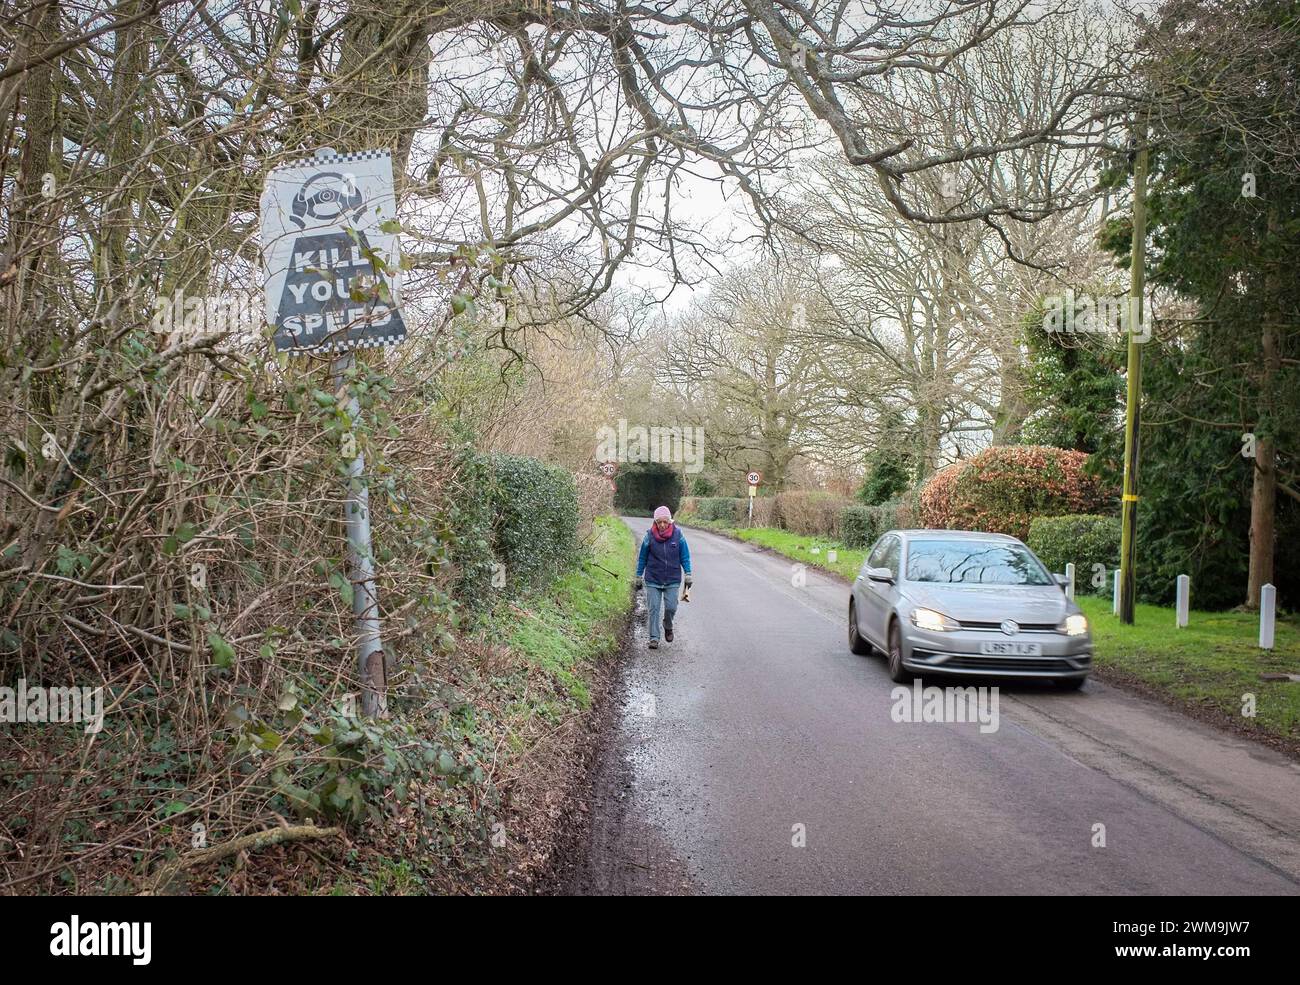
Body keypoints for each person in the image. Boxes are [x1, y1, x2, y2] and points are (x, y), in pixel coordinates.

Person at [635, 506, 693, 649]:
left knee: (671, 607)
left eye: (665, 522)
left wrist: (688, 573)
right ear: (655, 522)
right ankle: (654, 638)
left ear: (669, 521)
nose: (662, 525)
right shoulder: (649, 536)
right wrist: (638, 575)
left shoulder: (678, 535)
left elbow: (684, 556)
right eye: (659, 522)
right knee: (653, 608)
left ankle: (668, 624)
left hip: (672, 578)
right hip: (653, 578)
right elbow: (642, 557)